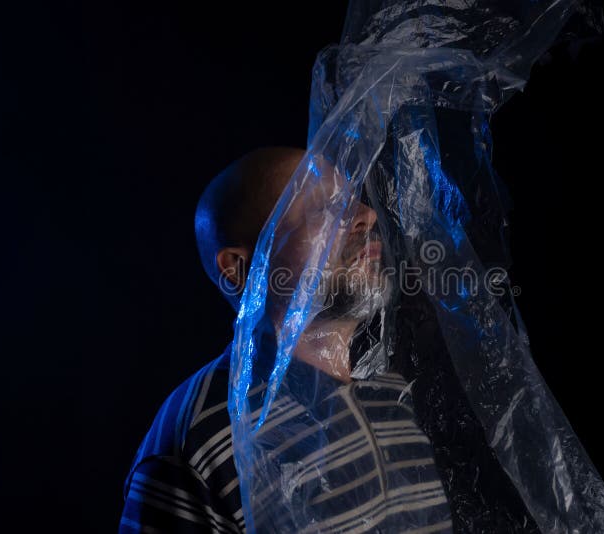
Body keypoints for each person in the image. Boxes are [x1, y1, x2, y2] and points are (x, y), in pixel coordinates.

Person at [119, 147, 456, 533]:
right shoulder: (200, 440)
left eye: (352, 201)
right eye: (323, 209)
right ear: (239, 268)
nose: (366, 216)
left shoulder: (392, 393)